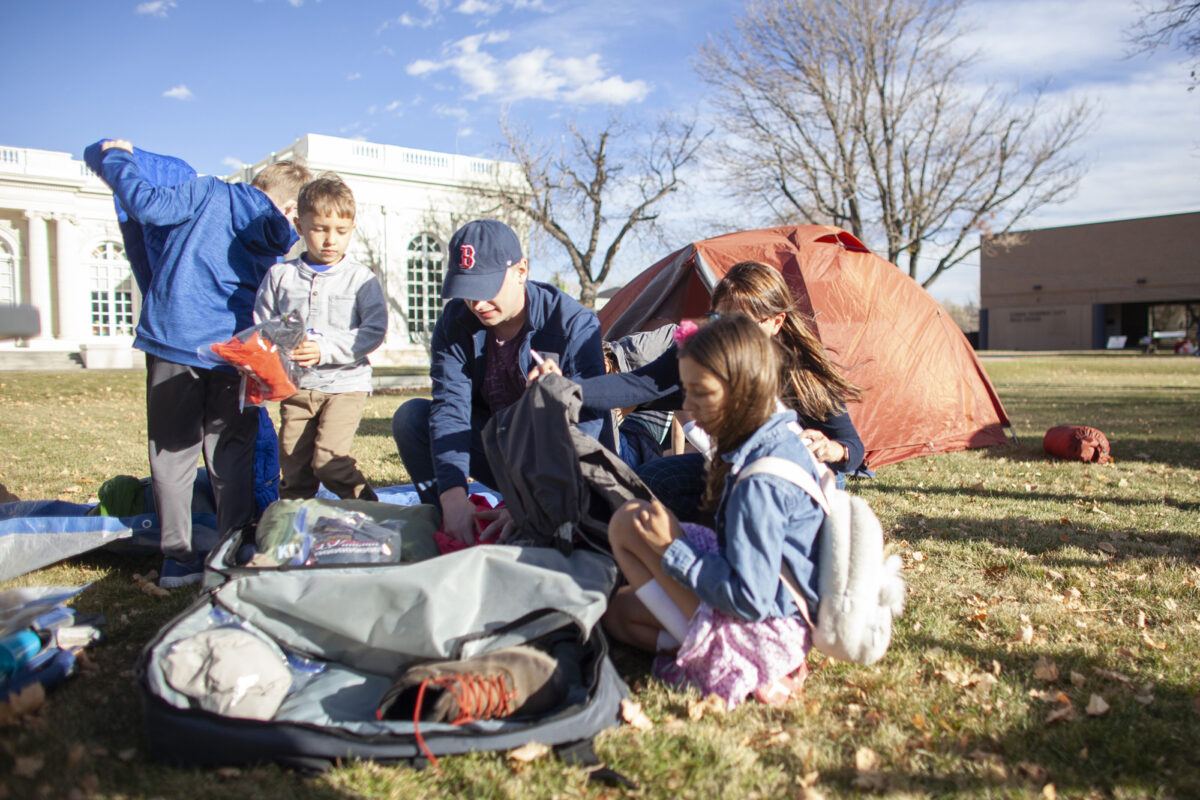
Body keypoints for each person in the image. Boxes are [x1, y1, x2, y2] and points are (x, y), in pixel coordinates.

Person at [84, 138, 311, 587]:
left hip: (174, 339)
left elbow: (148, 205)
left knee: (173, 456)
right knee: (231, 456)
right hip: (236, 354)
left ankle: (178, 562)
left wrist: (116, 158)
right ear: (289, 209)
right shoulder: (279, 237)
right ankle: (228, 555)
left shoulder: (207, 192)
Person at [603, 314, 824, 708]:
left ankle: (728, 666)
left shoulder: (761, 484)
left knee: (627, 536)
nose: (687, 406)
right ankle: (702, 646)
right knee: (619, 603)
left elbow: (750, 598)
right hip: (778, 617)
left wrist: (673, 548)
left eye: (699, 392)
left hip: (767, 632)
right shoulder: (774, 434)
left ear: (742, 389)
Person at [532, 260, 862, 522]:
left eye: (744, 322)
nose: (728, 332)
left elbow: (852, 448)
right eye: (720, 318)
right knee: (647, 483)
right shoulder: (700, 351)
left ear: (776, 323)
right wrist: (567, 389)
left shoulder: (804, 374)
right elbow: (637, 384)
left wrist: (832, 449)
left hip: (795, 477)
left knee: (751, 519)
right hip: (729, 470)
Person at [392, 219, 605, 544]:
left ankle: (545, 520)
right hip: (501, 450)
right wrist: (452, 495)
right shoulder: (455, 322)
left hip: (562, 464)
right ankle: (452, 530)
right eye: (466, 292)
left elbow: (591, 431)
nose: (477, 304)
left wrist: (532, 504)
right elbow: (451, 409)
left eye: (487, 288)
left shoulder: (574, 324)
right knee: (412, 419)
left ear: (521, 270)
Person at [253, 173, 387, 502]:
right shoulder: (280, 276)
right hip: (296, 389)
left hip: (345, 385)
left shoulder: (361, 279)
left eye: (341, 232)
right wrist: (277, 352)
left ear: (351, 230)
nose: (331, 240)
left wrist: (323, 349)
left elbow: (374, 330)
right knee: (295, 469)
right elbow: (263, 324)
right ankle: (295, 534)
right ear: (299, 226)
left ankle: (372, 512)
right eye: (320, 229)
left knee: (329, 461)